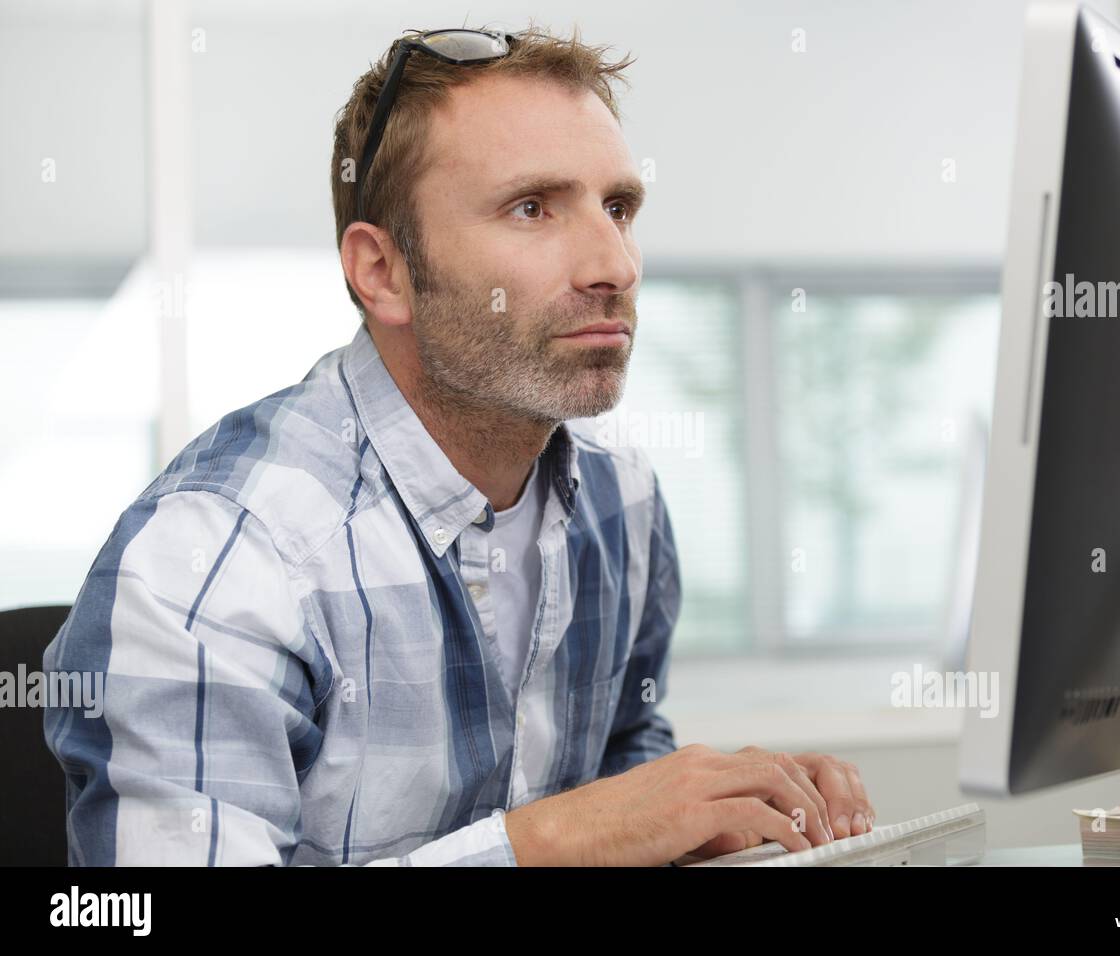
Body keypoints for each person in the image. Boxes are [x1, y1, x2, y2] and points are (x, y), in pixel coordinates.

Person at [43, 24, 873, 866]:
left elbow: (628, 759)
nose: (613, 263)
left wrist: (710, 826)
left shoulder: (625, 504)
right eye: (532, 208)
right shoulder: (216, 559)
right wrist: (545, 843)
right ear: (383, 272)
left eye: (618, 207)